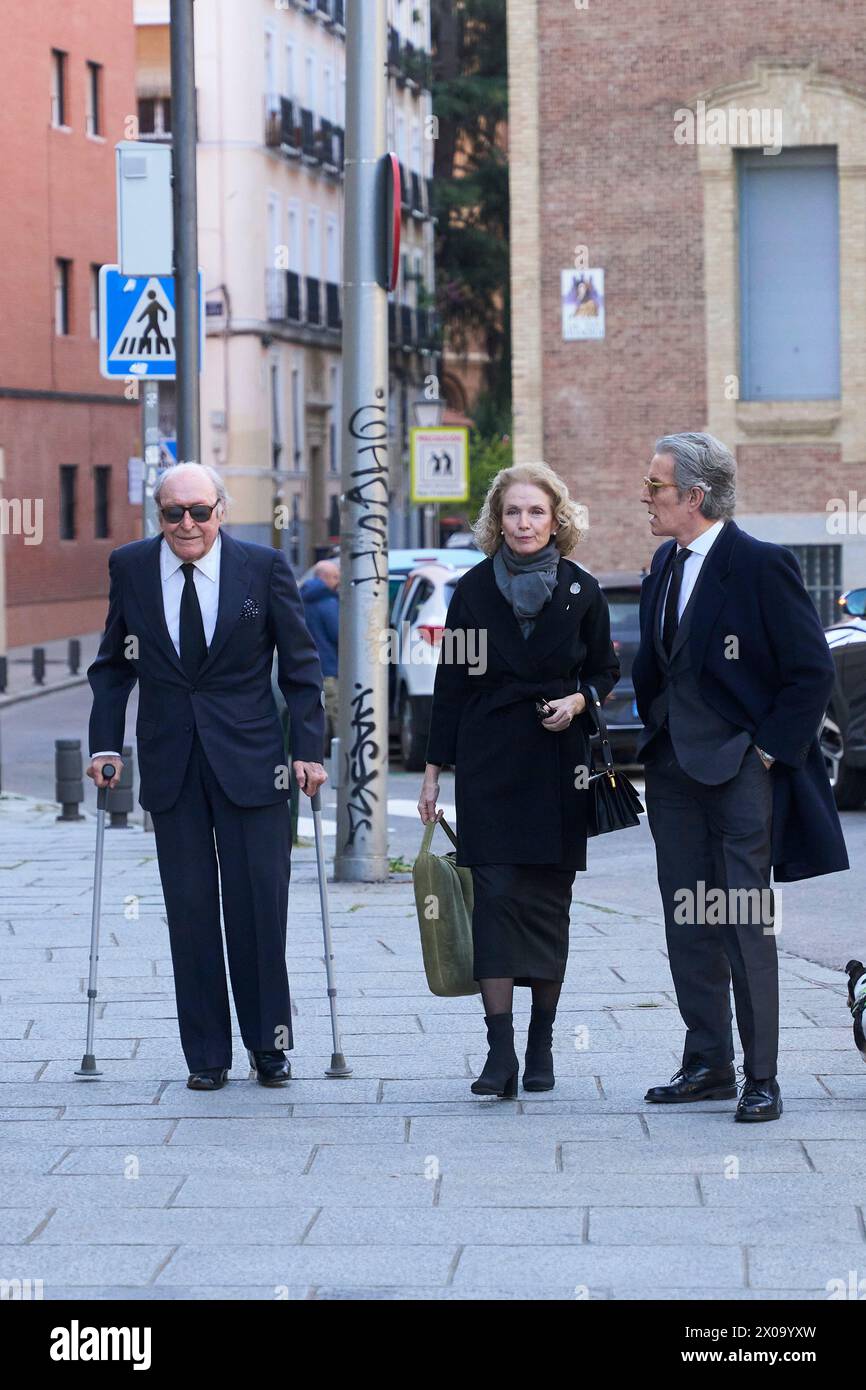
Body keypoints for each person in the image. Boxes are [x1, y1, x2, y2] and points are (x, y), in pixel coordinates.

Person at [86, 463, 327, 1091]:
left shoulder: (263, 567)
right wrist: (104, 744)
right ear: (157, 516)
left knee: (258, 910)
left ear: (221, 509)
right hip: (173, 766)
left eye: (199, 510)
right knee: (190, 911)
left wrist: (308, 749)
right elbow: (113, 667)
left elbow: (301, 667)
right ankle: (206, 1056)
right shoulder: (132, 568)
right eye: (173, 513)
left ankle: (268, 1047)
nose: (187, 524)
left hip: (256, 764)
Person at [634, 432, 848, 1122]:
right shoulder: (665, 562)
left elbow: (811, 672)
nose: (647, 496)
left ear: (694, 496)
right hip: (670, 771)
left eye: (656, 486)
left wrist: (763, 754)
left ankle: (762, 1077)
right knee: (687, 920)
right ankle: (707, 1064)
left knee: (742, 921)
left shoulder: (760, 564)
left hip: (738, 774)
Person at [418, 462, 619, 1098]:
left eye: (535, 512)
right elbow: (449, 688)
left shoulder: (583, 591)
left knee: (546, 905)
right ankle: (499, 1054)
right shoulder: (472, 591)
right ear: (495, 520)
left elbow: (606, 671)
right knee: (496, 903)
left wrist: (580, 702)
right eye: (513, 512)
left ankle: (541, 1048)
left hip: (561, 766)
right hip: (490, 763)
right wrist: (431, 774)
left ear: (556, 518)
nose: (524, 523)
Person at [300, 560, 339, 752]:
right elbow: (339, 634)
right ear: (323, 577)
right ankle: (338, 752)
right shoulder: (328, 602)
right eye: (334, 577)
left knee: (315, 711)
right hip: (330, 666)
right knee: (334, 712)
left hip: (307, 666)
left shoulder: (301, 598)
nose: (337, 582)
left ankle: (313, 751)